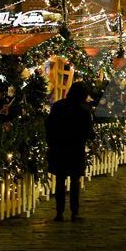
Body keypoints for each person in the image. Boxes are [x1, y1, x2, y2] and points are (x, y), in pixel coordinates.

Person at [46, 81, 96, 221]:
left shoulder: (58, 106)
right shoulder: (84, 110)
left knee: (60, 181)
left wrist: (51, 142)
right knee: (75, 182)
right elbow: (88, 132)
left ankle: (59, 212)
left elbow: (49, 125)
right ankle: (75, 212)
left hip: (59, 148)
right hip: (75, 148)